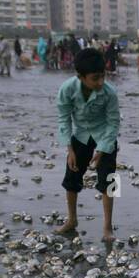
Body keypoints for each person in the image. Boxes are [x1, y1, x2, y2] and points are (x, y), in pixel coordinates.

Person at [54, 48, 120, 242]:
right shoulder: (67, 89)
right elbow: (63, 118)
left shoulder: (109, 92)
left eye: (103, 77)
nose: (100, 82)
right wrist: (69, 149)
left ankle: (108, 228)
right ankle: (72, 220)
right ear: (80, 77)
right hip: (80, 135)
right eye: (95, 78)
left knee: (110, 181)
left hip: (105, 135)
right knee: (71, 177)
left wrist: (102, 149)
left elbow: (114, 121)